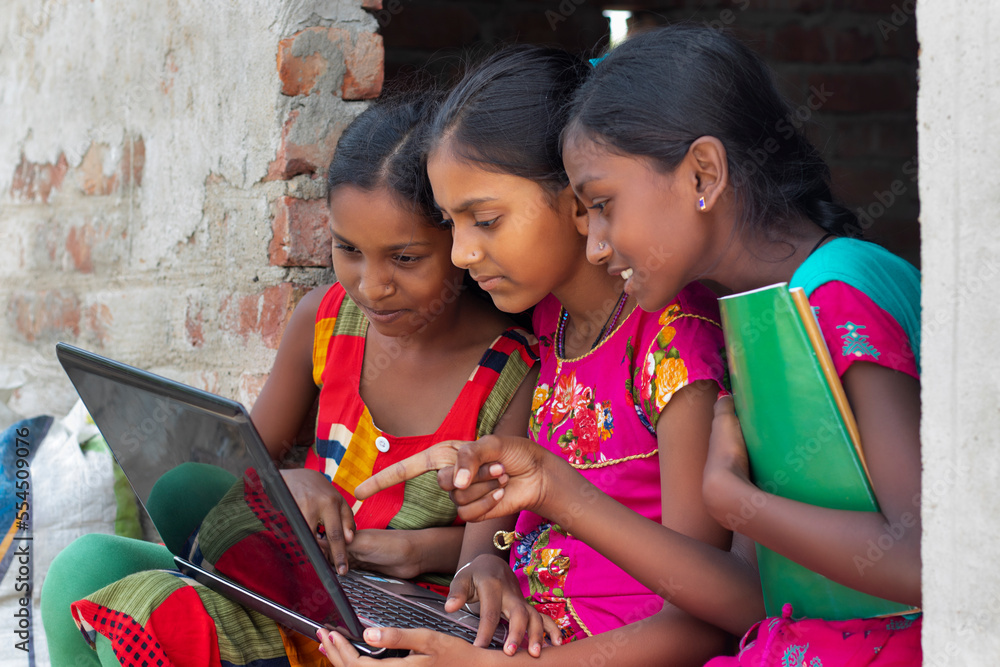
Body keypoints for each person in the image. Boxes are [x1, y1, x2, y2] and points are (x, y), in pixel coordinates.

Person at [332, 25, 921, 666]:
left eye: (602, 204)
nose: (595, 243)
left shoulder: (819, 298)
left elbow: (922, 560)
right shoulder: (752, 311)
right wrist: (484, 551)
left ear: (703, 173)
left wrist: (739, 505)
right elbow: (763, 598)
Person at [40, 91, 540, 667]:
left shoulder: (510, 372)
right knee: (91, 561)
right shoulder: (326, 319)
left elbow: (492, 554)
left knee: (155, 607)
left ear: (458, 239)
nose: (371, 285)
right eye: (348, 249)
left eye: (404, 259)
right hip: (300, 576)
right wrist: (287, 484)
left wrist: (408, 550)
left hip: (393, 620)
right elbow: (244, 458)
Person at [318, 45, 758, 667]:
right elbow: (522, 523)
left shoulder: (671, 343)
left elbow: (700, 625)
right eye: (452, 225)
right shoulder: (549, 324)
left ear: (578, 199)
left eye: (486, 221)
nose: (463, 254)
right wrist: (488, 562)